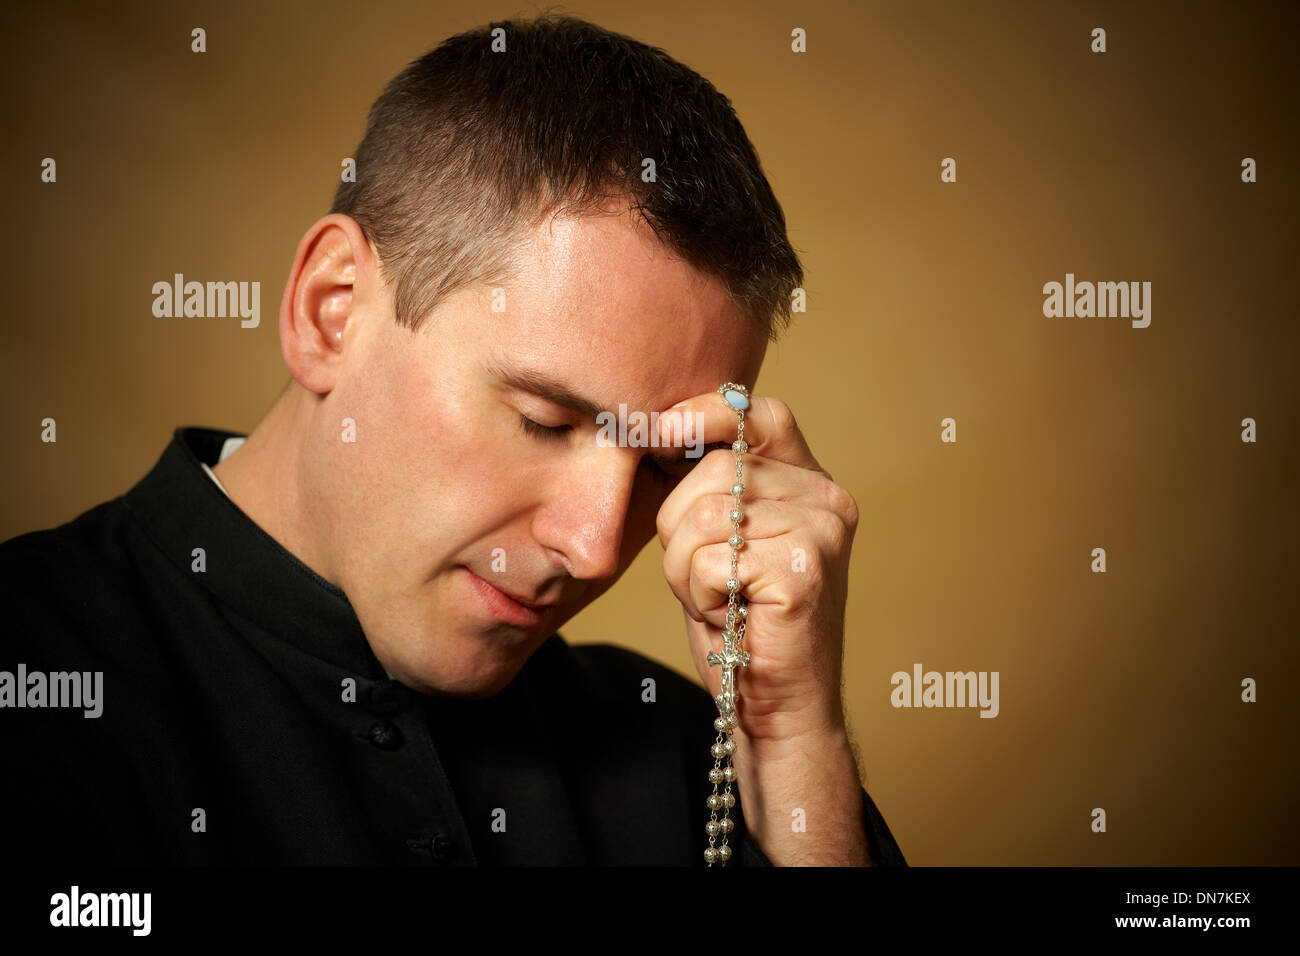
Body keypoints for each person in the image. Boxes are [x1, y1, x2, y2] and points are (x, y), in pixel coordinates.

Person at [0, 12, 904, 867]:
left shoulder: (684, 757)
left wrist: (793, 743)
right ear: (332, 311)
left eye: (667, 463)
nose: (593, 548)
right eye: (543, 420)